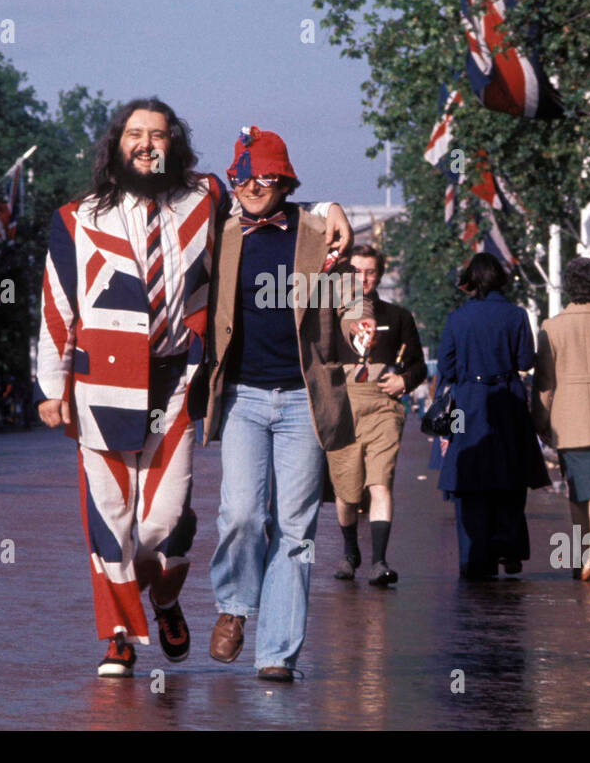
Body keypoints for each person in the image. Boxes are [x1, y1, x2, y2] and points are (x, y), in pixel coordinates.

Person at [35, 102, 352, 678]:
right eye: (135, 134)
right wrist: (50, 384)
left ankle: (163, 599)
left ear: (174, 142)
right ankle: (119, 638)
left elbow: (274, 201)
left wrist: (332, 207)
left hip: (177, 382)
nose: (147, 144)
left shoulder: (203, 199)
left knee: (160, 523)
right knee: (111, 516)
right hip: (101, 383)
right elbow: (56, 304)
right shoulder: (77, 217)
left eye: (158, 134)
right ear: (116, 144)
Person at [202, 126, 355, 682]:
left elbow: (345, 300)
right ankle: (234, 608)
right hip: (242, 395)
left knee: (295, 530)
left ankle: (277, 653)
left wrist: (333, 207)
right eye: (241, 175)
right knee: (242, 513)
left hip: (302, 401)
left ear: (283, 180)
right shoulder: (221, 235)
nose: (250, 186)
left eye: (263, 176)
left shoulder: (316, 232)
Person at [436, 253, 550, 580]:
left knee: (469, 477)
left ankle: (474, 554)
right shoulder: (515, 315)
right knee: (511, 477)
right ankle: (508, 544)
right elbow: (526, 360)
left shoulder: (457, 318)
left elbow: (445, 367)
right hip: (507, 399)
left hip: (468, 400)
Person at [325, 244, 426, 586]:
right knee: (346, 492)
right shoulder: (329, 315)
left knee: (380, 483)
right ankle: (350, 550)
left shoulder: (398, 317)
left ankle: (379, 560)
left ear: (380, 274)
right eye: (355, 272)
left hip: (383, 407)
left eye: (370, 272)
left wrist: (404, 380)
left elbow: (419, 366)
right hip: (343, 406)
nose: (363, 279)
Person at [531, 257, 590, 582]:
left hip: (568, 418)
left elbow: (544, 380)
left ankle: (581, 551)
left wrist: (540, 421)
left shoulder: (552, 326)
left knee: (577, 488)